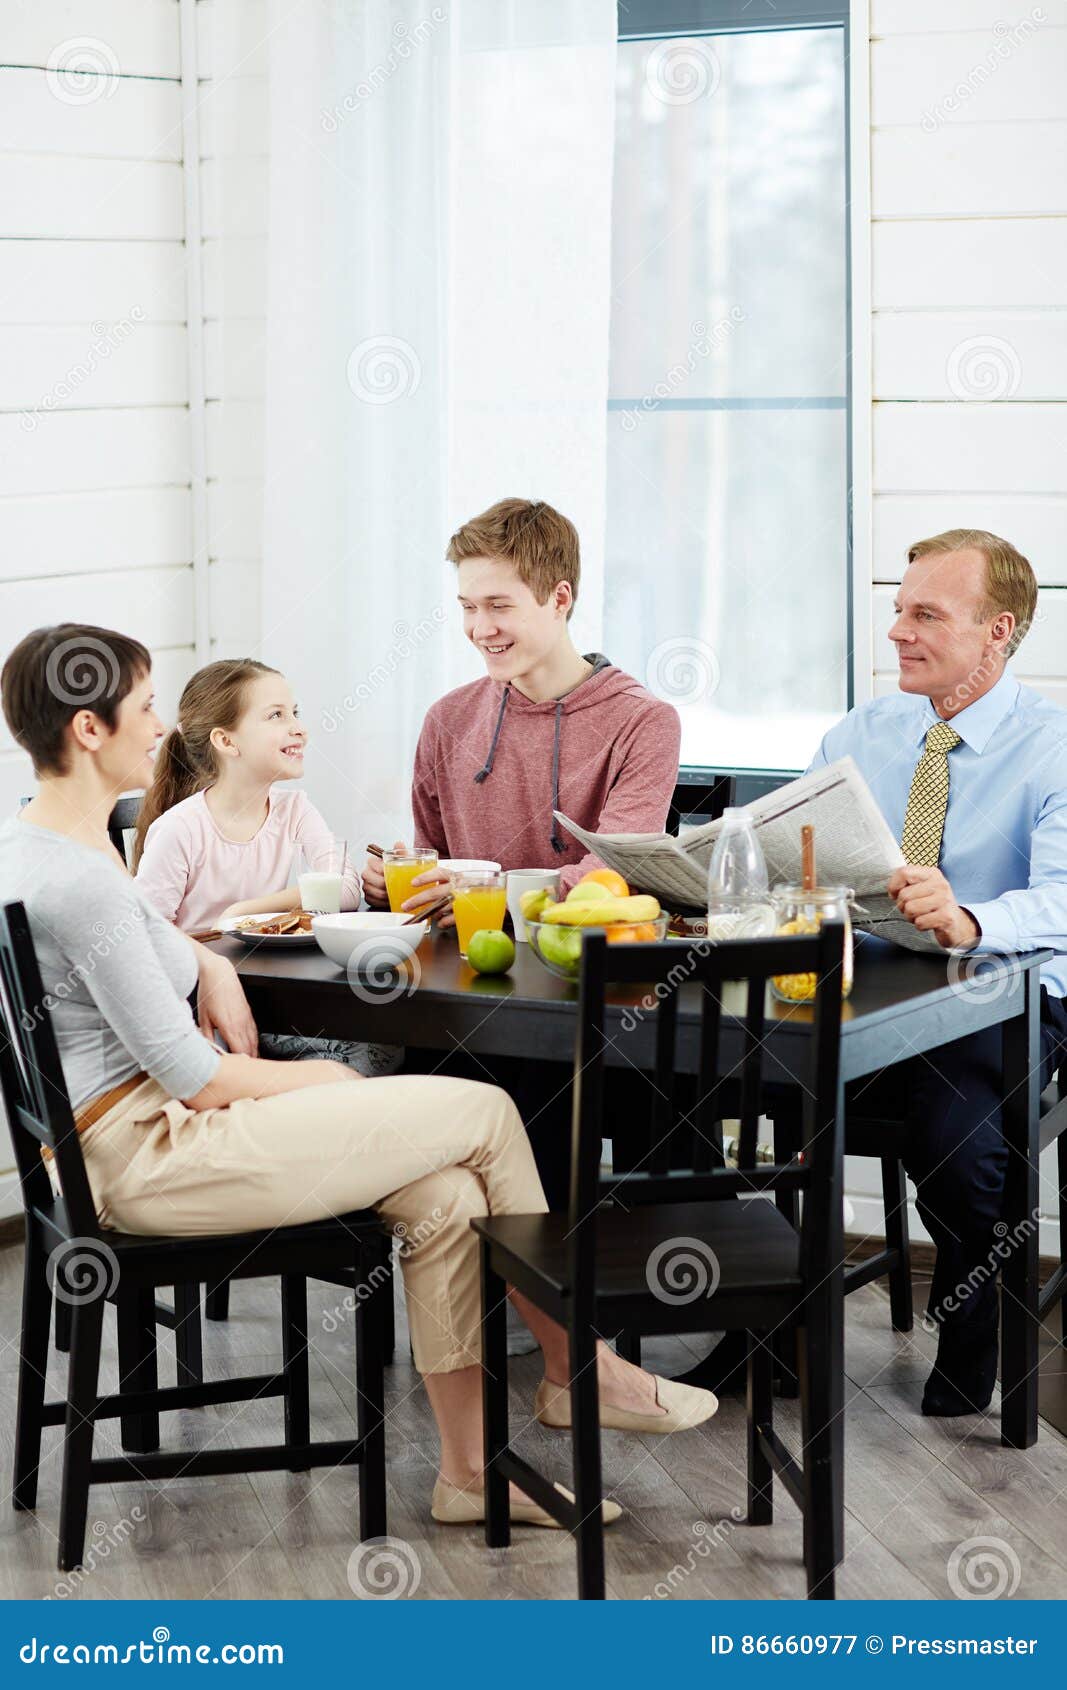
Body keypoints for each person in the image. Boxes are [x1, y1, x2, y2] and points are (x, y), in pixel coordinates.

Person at [0, 624, 717, 1528]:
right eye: (144, 707)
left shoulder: (46, 849)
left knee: (450, 1193)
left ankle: (468, 1475)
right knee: (489, 1112)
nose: (159, 727)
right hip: (150, 1157)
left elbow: (153, 956)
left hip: (130, 1142)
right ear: (89, 730)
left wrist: (211, 963)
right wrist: (332, 1089)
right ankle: (583, 1371)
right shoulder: (86, 879)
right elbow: (193, 1075)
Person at [808, 530, 1067, 1417]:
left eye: (925, 614)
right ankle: (756, 1331)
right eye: (897, 610)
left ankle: (972, 1335)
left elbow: (1065, 900)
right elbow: (795, 860)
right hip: (874, 980)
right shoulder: (859, 733)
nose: (897, 632)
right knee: (738, 1082)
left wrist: (970, 918)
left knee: (953, 1134)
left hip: (1008, 982)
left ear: (997, 630)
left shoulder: (1054, 745)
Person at [362, 497, 681, 920]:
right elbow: (434, 864)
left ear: (559, 598)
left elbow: (612, 874)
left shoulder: (643, 722)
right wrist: (395, 885)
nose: (480, 629)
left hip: (575, 967)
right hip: (461, 964)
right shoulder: (447, 719)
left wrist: (487, 897)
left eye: (499, 605)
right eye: (468, 607)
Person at [133, 657, 399, 1078]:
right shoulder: (179, 829)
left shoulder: (294, 809)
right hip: (203, 1010)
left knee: (388, 1047)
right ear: (226, 740)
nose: (298, 727)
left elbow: (346, 890)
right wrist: (294, 903)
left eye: (295, 713)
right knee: (369, 1056)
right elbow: (144, 932)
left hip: (275, 998)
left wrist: (248, 912)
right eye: (276, 715)